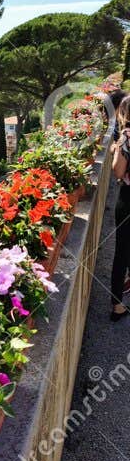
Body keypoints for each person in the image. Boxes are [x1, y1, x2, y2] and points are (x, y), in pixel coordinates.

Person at [110, 96, 130, 320]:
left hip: (128, 198)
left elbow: (117, 171)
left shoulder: (126, 137)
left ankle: (116, 306)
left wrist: (116, 150)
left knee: (121, 252)